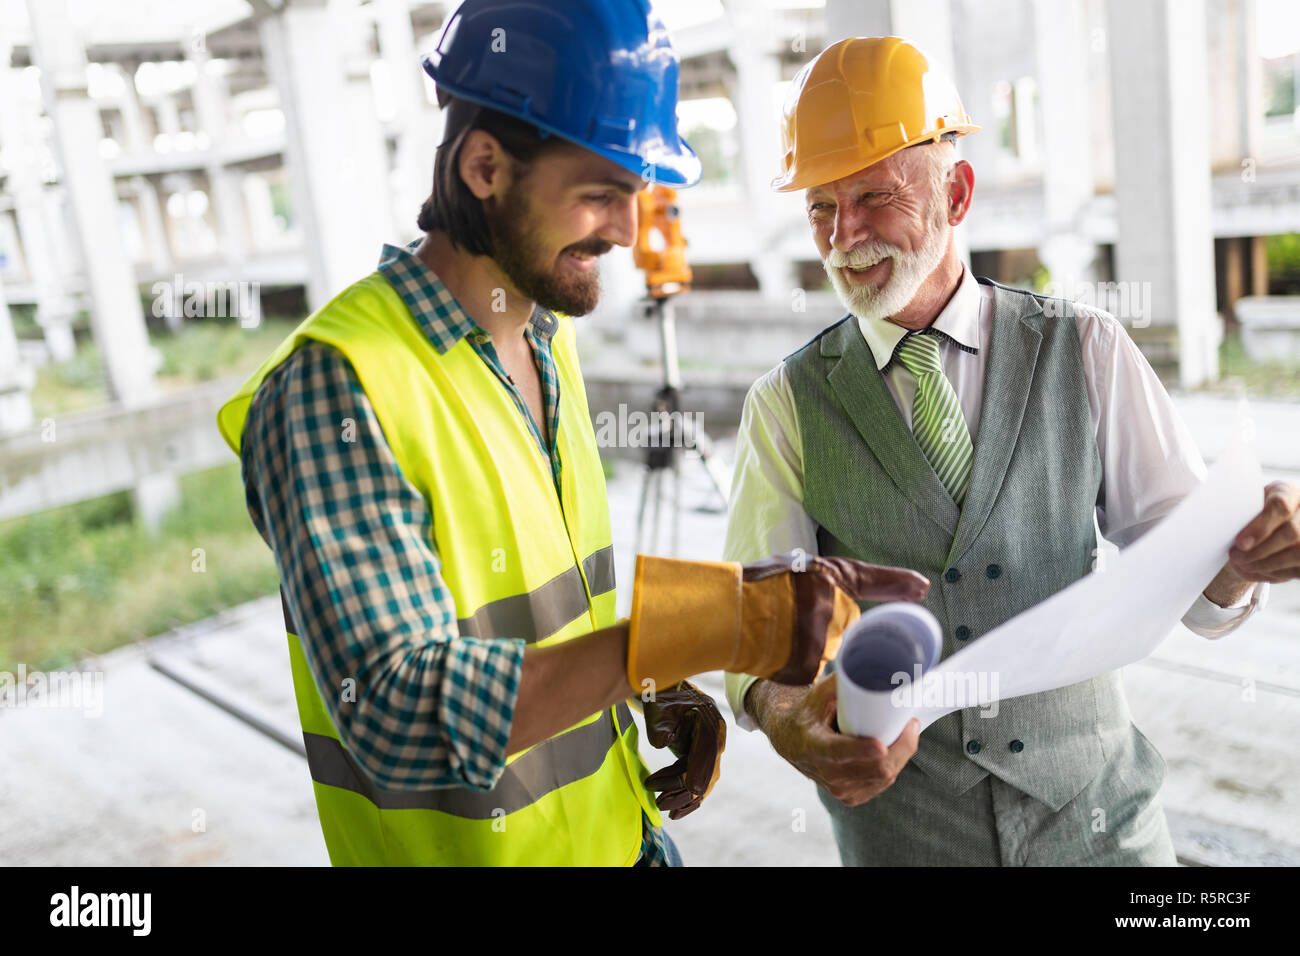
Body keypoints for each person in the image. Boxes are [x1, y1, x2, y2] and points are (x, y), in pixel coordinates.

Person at [215, 2, 927, 867]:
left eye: (633, 195)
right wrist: (719, 624)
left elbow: (545, 628)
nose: (627, 232)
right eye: (599, 193)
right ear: (484, 166)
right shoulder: (337, 387)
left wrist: (643, 690)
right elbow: (399, 714)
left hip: (623, 839)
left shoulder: (546, 341)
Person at [723, 35, 1300, 866]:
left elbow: (1192, 578)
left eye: (874, 197)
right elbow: (758, 633)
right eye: (821, 206)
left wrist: (1250, 553)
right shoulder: (784, 406)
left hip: (1102, 829)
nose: (844, 235)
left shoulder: (1087, 349)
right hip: (909, 840)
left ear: (956, 192)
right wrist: (787, 722)